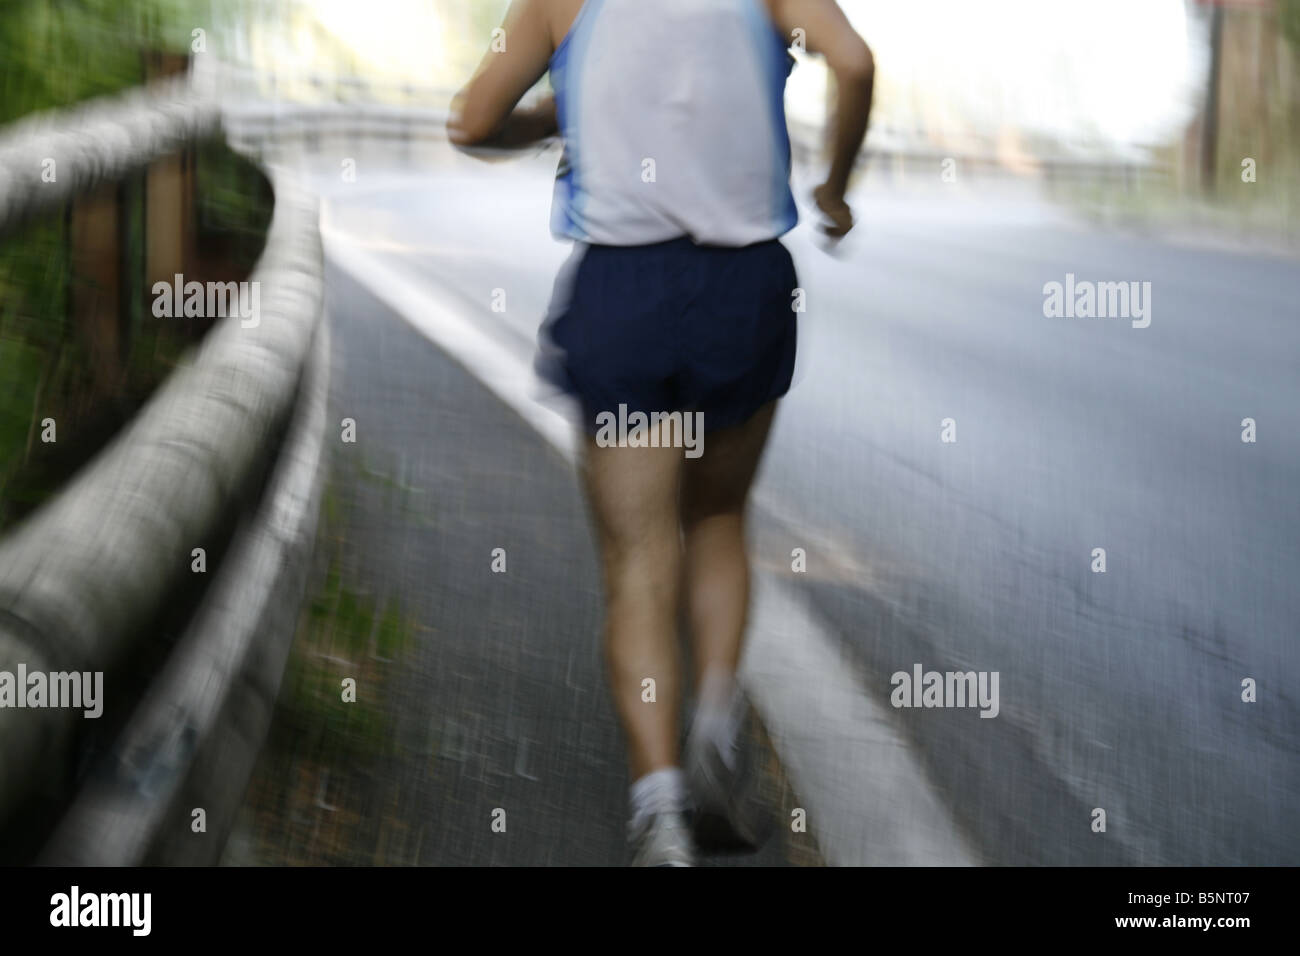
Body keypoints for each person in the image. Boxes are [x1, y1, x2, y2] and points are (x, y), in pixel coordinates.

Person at [449, 0, 873, 866]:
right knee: (715, 521)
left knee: (637, 563)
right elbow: (856, 64)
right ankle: (715, 731)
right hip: (745, 288)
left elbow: (470, 119)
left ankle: (661, 818)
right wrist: (834, 187)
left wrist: (553, 118)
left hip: (622, 290)